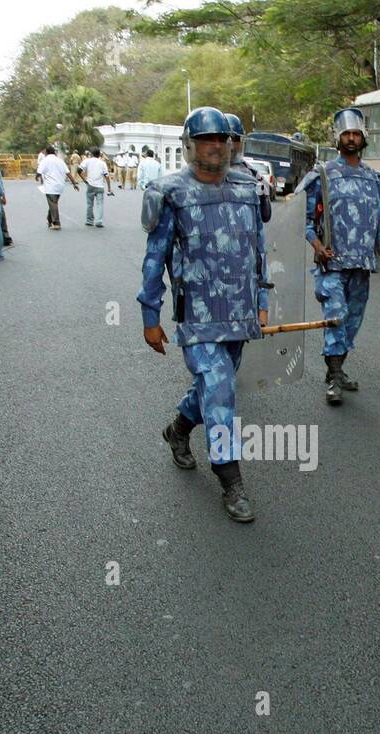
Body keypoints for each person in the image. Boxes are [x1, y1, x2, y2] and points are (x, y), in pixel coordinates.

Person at [138, 107, 269, 522]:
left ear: (231, 144)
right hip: (197, 314)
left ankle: (177, 429)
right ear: (190, 145)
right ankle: (230, 479)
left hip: (241, 313)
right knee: (219, 387)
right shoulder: (169, 192)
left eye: (222, 140)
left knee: (217, 385)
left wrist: (262, 302)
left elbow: (259, 252)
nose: (215, 147)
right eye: (206, 140)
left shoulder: (248, 187)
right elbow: (154, 257)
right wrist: (149, 314)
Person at [302, 107, 380, 406]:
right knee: (336, 317)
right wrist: (317, 246)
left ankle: (339, 369)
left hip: (361, 266)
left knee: (353, 321)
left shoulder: (374, 179)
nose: (352, 139)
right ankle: (333, 376)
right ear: (337, 138)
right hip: (331, 265)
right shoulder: (322, 175)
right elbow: (303, 221)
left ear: (363, 137)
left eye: (356, 134)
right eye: (347, 134)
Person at [224, 113, 270, 223]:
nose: (231, 144)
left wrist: (262, 195)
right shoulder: (203, 173)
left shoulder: (252, 174)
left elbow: (266, 215)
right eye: (225, 138)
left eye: (235, 139)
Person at [35, 144, 76, 230]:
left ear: (46, 152)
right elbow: (68, 173)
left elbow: (39, 172)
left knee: (53, 203)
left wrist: (37, 177)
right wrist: (74, 183)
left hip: (50, 186)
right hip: (60, 186)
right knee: (53, 203)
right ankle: (49, 220)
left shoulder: (45, 161)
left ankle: (56, 223)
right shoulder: (60, 161)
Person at [81, 148, 112, 228]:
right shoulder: (102, 163)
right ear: (99, 155)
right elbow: (107, 176)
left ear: (91, 154)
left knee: (89, 204)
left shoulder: (87, 161)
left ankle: (89, 221)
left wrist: (84, 179)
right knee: (100, 204)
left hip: (90, 185)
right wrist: (109, 188)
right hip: (100, 186)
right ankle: (99, 221)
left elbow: (78, 170)